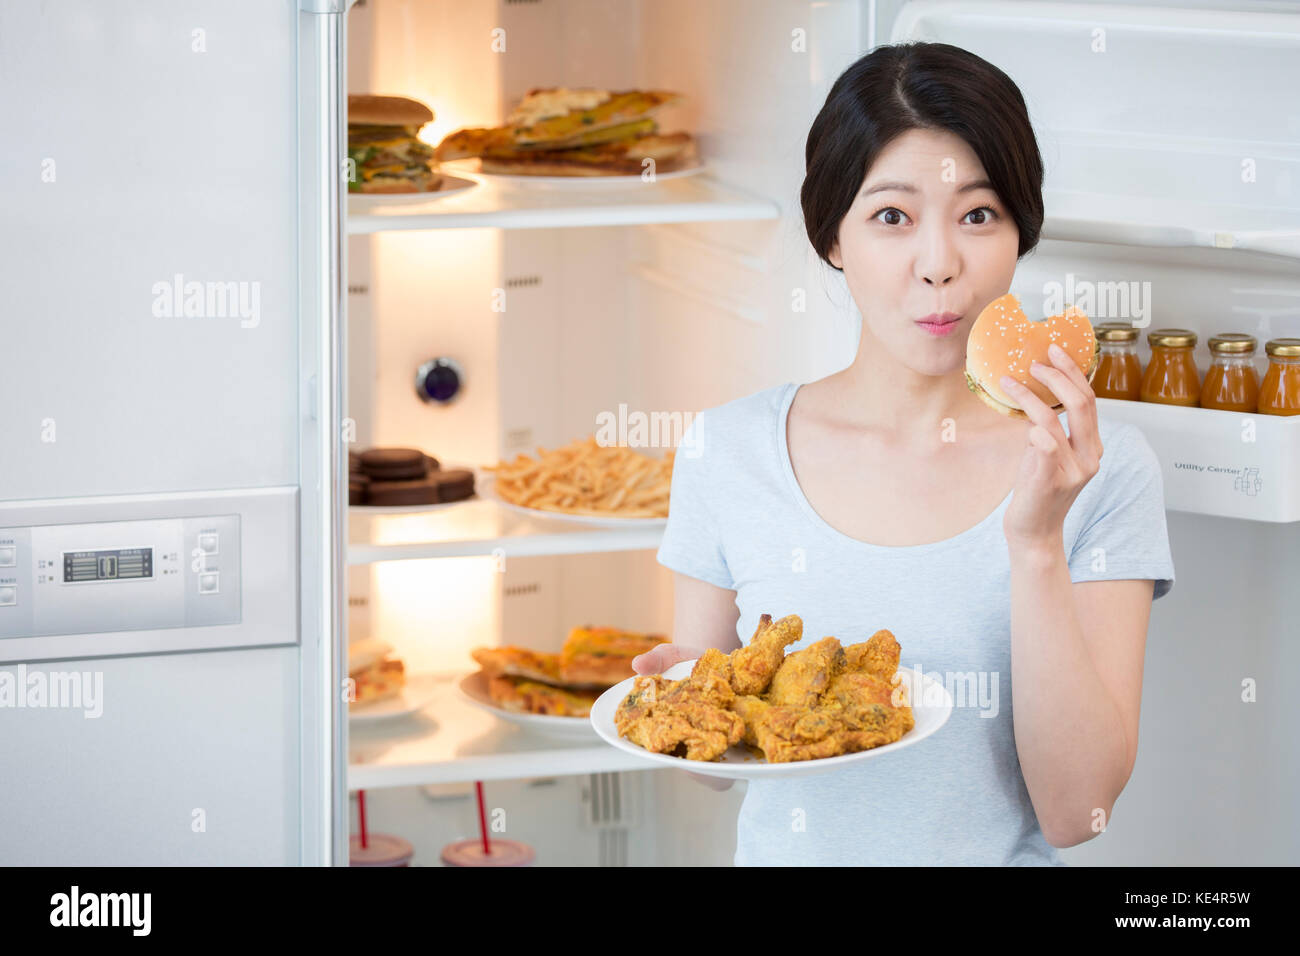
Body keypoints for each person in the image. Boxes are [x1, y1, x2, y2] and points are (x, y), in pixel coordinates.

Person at [632, 41, 1175, 866]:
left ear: (1019, 231)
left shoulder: (1097, 466)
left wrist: (1034, 546)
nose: (939, 265)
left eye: (978, 215)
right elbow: (713, 772)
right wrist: (689, 697)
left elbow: (1079, 812)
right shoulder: (728, 450)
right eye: (892, 216)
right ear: (834, 238)